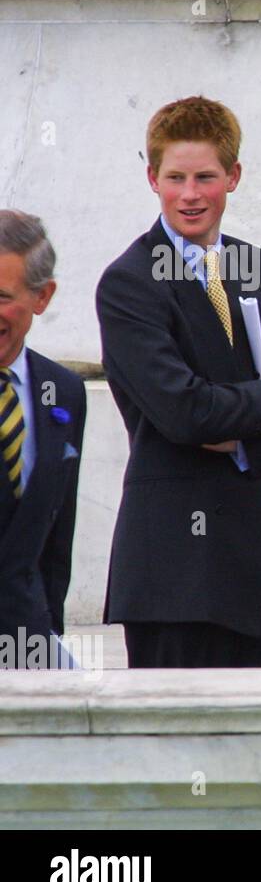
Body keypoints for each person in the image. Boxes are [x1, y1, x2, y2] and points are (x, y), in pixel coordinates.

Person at [96, 96, 261, 668]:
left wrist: (247, 419)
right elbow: (184, 413)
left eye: (206, 177)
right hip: (177, 578)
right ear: (152, 178)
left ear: (233, 177)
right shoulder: (129, 283)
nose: (190, 194)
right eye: (176, 178)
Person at [0, 211, 86, 668]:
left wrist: (48, 638)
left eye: (1, 298)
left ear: (42, 296)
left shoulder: (64, 391)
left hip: (29, 648)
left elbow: (56, 538)